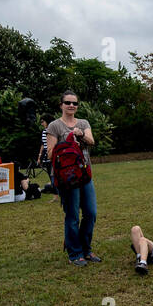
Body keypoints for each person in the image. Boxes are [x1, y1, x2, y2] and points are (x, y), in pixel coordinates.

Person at [46, 90, 100, 266]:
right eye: (68, 102)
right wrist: (68, 142)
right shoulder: (54, 126)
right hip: (67, 177)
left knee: (91, 213)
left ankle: (86, 249)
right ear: (61, 105)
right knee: (72, 215)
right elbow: (50, 153)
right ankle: (75, 253)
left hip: (84, 175)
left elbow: (91, 141)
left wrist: (81, 134)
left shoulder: (83, 123)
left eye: (74, 103)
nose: (71, 106)